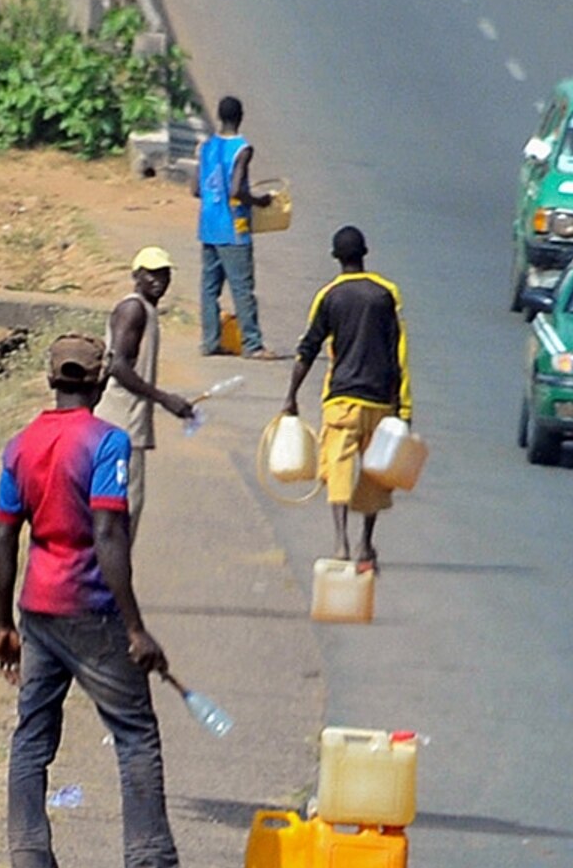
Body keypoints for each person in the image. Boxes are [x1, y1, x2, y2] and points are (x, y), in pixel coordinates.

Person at [0, 335, 223, 868]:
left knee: (32, 739)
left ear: (52, 381)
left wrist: (3, 623)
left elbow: (3, 539)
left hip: (37, 610)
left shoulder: (19, 447)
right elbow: (109, 533)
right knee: (136, 736)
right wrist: (136, 628)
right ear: (99, 384)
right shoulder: (106, 442)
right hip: (90, 609)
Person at [282, 225, 411, 575]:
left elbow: (307, 349)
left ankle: (340, 542)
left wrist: (290, 397)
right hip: (379, 401)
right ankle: (365, 543)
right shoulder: (386, 294)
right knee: (375, 475)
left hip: (341, 400)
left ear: (336, 258)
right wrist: (402, 408)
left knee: (337, 468)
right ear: (364, 254)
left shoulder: (329, 296)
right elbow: (397, 353)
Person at [99, 246, 198, 535]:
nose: (159, 280)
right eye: (151, 274)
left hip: (128, 424)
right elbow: (118, 366)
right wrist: (163, 398)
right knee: (125, 510)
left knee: (121, 510)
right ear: (136, 275)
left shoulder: (147, 310)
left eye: (164, 274)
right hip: (121, 424)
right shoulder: (133, 309)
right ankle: (112, 577)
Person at [196, 94, 273, 358]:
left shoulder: (206, 147)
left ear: (219, 116)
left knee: (209, 288)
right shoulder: (242, 148)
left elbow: (196, 188)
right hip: (233, 227)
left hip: (208, 225)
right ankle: (252, 344)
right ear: (240, 117)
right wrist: (260, 201)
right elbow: (237, 188)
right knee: (242, 287)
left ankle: (210, 341)